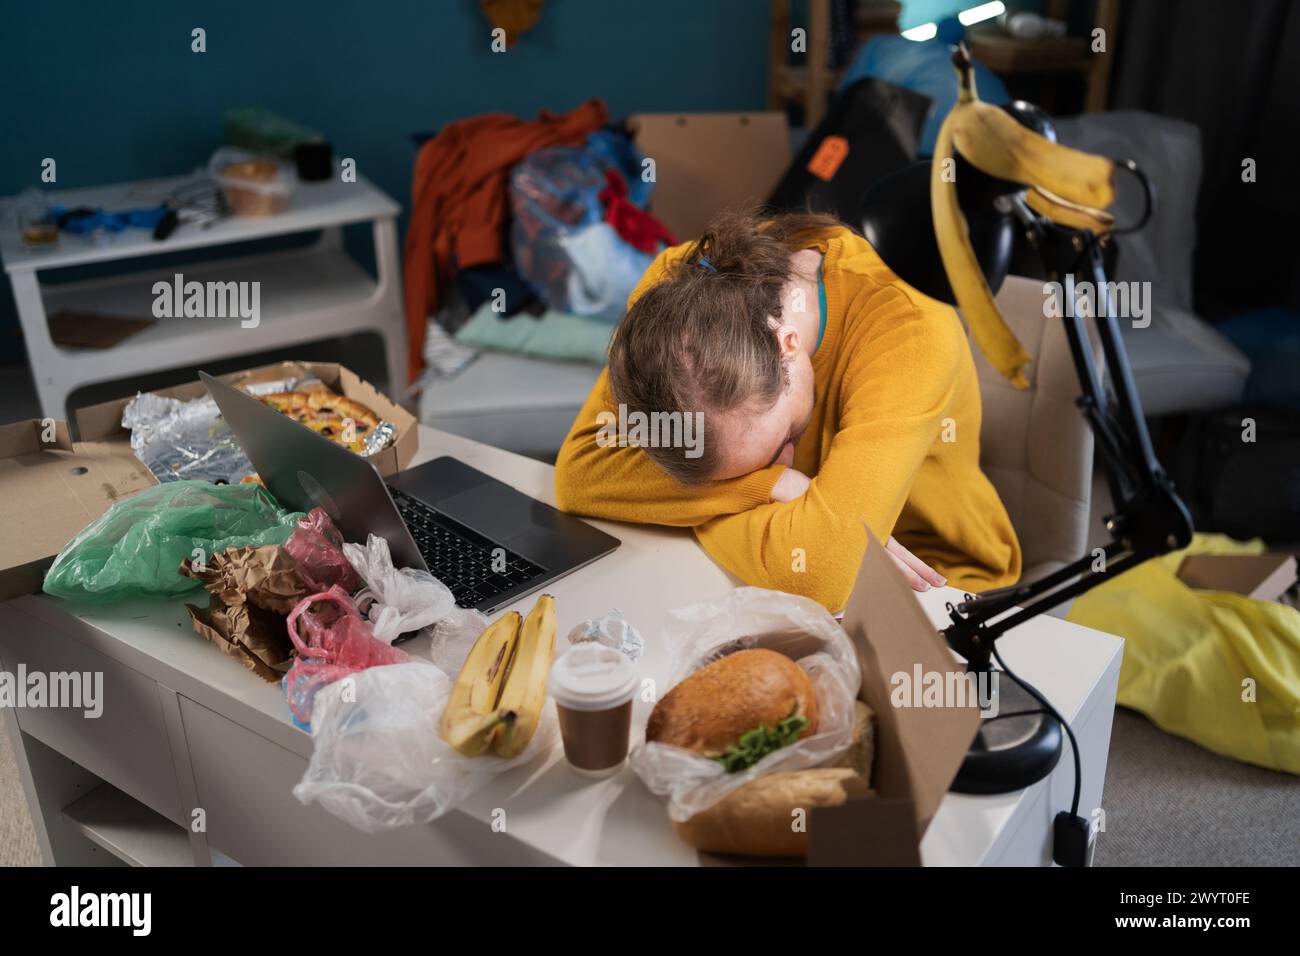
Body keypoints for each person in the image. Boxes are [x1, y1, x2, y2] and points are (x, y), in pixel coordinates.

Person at [554, 209, 1020, 611]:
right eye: (730, 478)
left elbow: (817, 577)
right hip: (780, 564)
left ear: (787, 345)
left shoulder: (910, 329)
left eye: (783, 444)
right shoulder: (674, 295)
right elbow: (581, 473)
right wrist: (772, 486)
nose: (787, 463)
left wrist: (684, 502)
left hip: (929, 580)